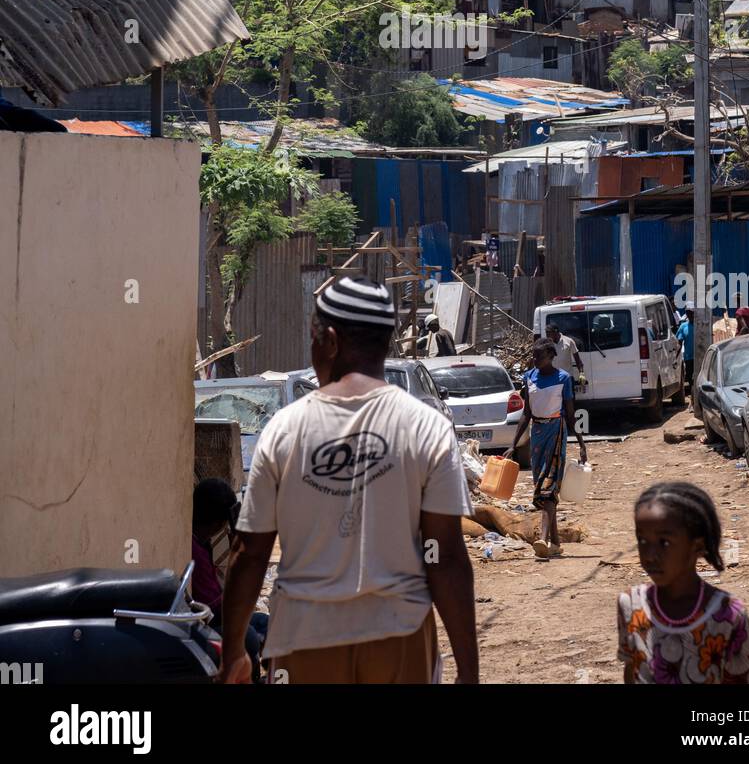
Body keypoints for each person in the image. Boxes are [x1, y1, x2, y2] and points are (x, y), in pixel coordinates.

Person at [215, 274, 479, 685]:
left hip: (304, 641)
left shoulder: (285, 430)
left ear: (332, 341)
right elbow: (444, 556)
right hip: (400, 637)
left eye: (314, 338)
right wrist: (469, 670)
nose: (313, 349)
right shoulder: (427, 427)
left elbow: (249, 553)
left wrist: (234, 653)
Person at [618, 481, 749, 684]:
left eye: (664, 543)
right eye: (642, 541)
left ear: (697, 546)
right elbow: (632, 671)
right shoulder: (630, 604)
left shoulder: (728, 614)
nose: (650, 555)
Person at [507, 339, 587, 561]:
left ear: (551, 355)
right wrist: (513, 445)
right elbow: (526, 414)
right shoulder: (529, 377)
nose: (535, 360)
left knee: (548, 487)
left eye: (539, 356)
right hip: (537, 435)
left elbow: (571, 415)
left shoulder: (563, 379)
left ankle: (542, 539)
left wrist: (581, 444)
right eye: (533, 356)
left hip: (556, 432)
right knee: (542, 487)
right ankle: (556, 542)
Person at [191, 478, 268, 674]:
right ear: (219, 522)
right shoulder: (195, 553)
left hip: (215, 615)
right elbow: (219, 609)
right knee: (250, 636)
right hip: (209, 621)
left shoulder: (200, 543)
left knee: (265, 623)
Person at [676, 308, 695, 388]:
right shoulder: (683, 327)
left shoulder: (700, 325)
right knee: (690, 378)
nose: (690, 315)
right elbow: (679, 343)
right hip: (689, 358)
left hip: (700, 357)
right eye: (688, 313)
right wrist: (675, 357)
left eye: (691, 313)